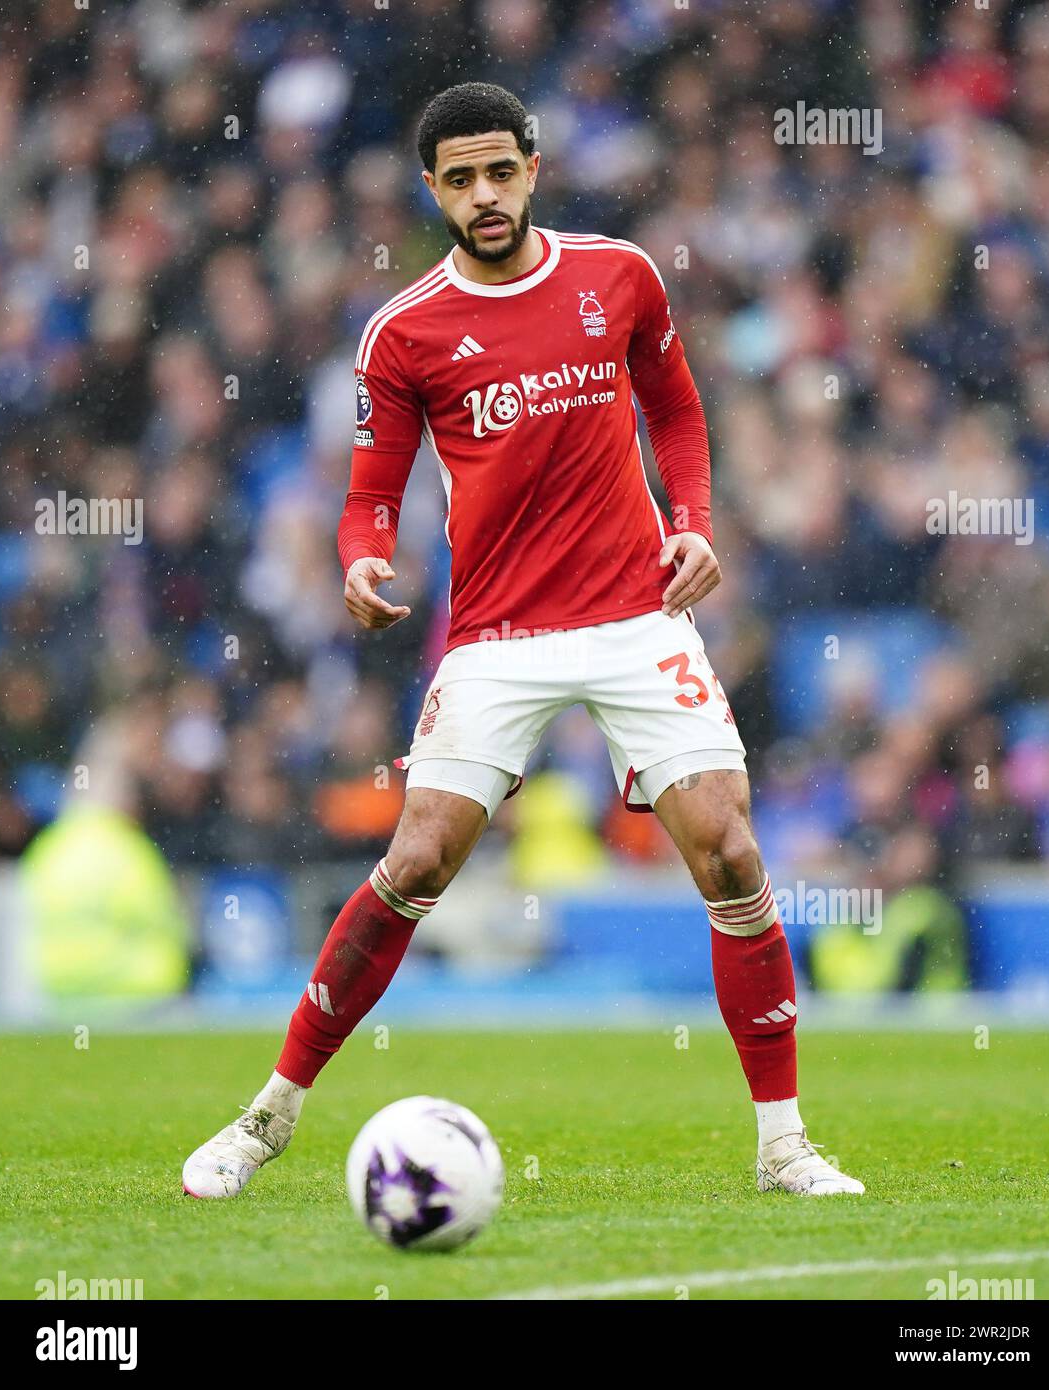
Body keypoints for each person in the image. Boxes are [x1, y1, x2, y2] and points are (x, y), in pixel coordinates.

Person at [183, 82, 864, 1200]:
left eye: (501, 171)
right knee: (414, 863)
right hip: (495, 631)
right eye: (460, 179)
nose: (485, 195)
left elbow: (678, 412)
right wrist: (359, 558)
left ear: (532, 168)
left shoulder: (616, 276)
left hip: (634, 614)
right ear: (432, 191)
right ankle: (266, 1117)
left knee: (732, 853)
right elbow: (369, 495)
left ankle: (783, 1144)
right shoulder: (402, 332)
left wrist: (692, 522)